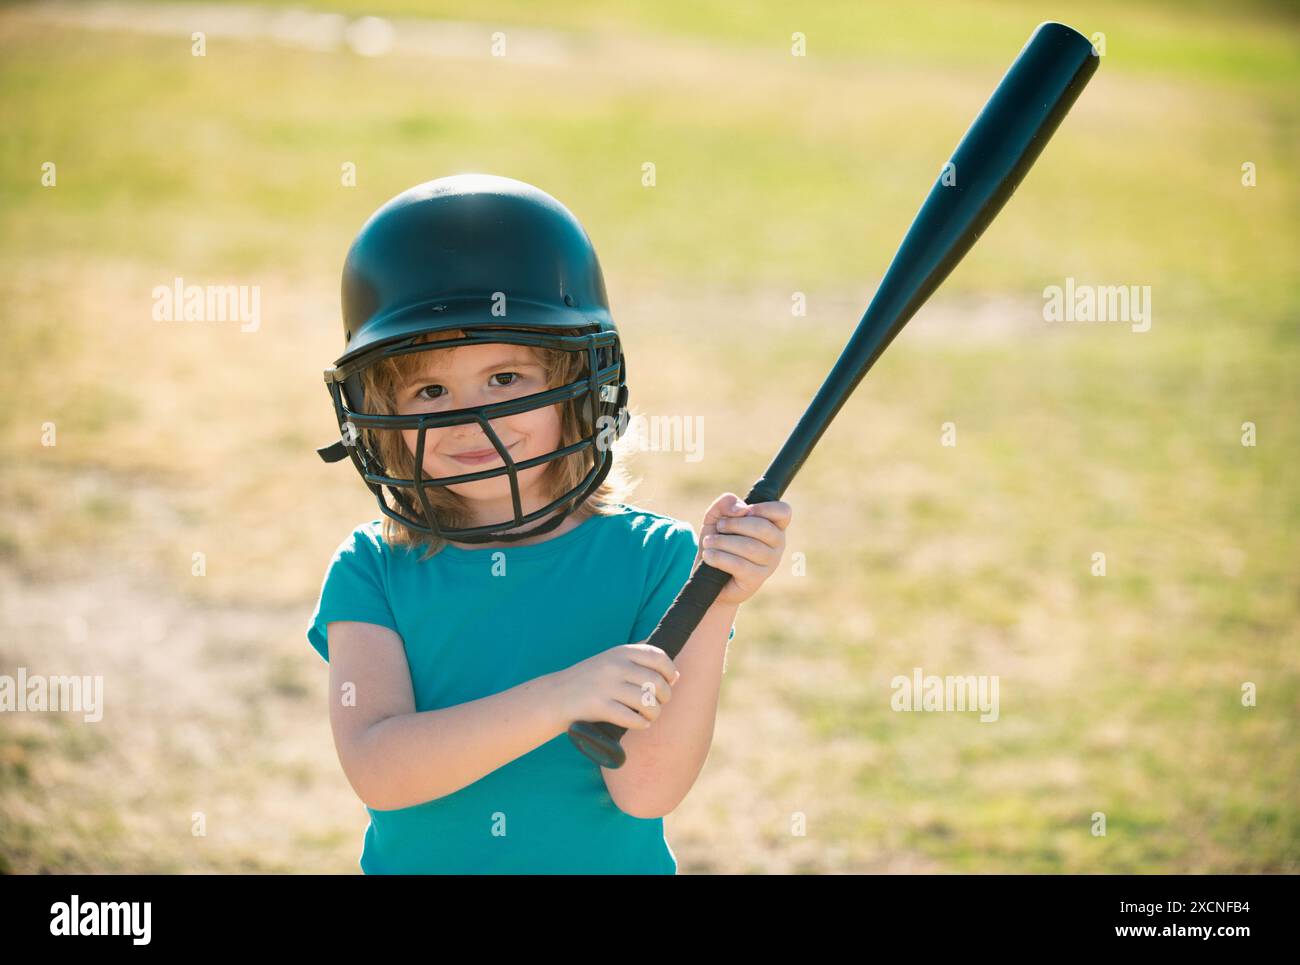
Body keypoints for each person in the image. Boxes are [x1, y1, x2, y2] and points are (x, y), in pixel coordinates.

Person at [308, 173, 791, 873]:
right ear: (379, 413)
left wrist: (715, 600)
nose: (466, 416)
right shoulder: (372, 568)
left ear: (580, 384)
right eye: (430, 389)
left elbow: (647, 791)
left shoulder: (658, 559)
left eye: (506, 379)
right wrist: (562, 695)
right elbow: (381, 770)